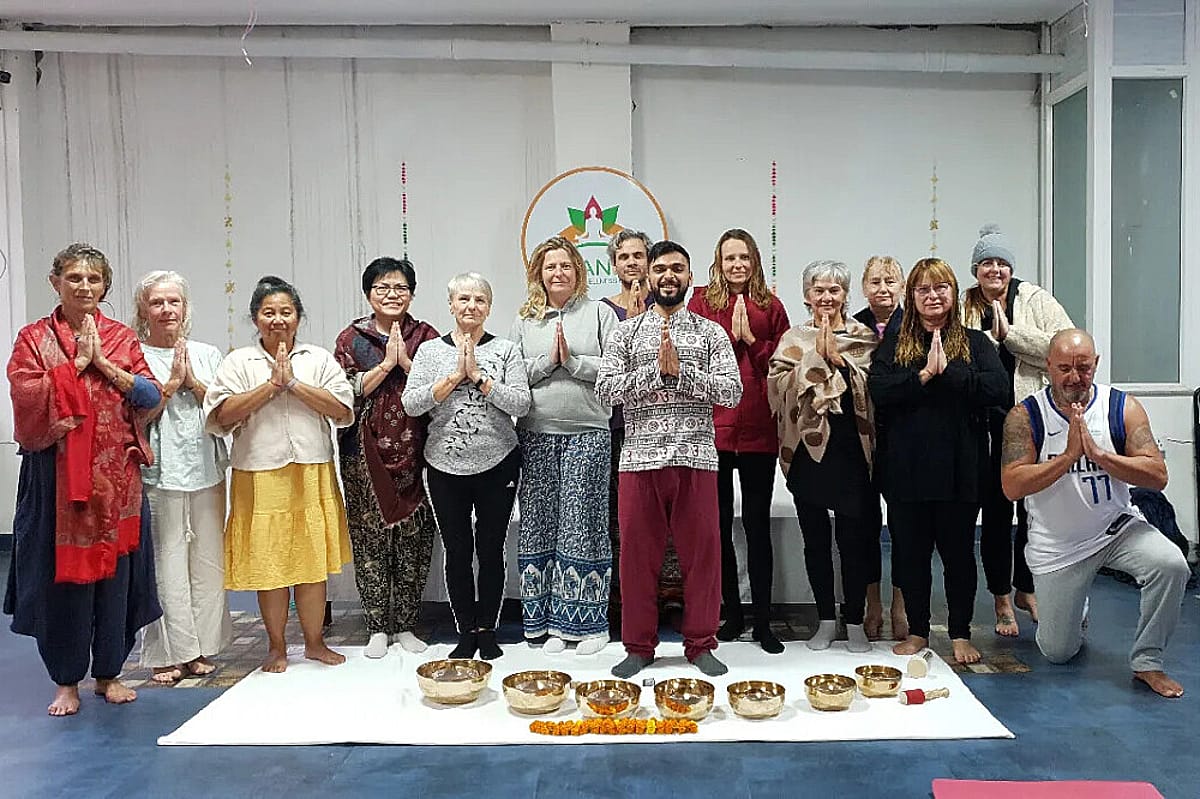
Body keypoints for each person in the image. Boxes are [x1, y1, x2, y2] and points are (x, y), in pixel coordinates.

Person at [6, 243, 162, 716]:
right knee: (63, 583)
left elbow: (150, 392)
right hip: (55, 481)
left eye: (94, 280)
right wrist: (74, 366)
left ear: (105, 287)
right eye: (74, 278)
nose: (85, 287)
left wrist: (102, 365)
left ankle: (110, 673)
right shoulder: (34, 338)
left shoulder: (120, 338)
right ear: (55, 282)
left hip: (117, 481)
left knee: (116, 579)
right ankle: (66, 680)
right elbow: (25, 393)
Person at [1001, 329, 1188, 698]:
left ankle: (1148, 661)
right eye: (1065, 368)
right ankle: (1075, 604)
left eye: (1084, 368)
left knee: (1172, 565)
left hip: (1116, 530)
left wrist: (1101, 456)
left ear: (1096, 365)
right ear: (1048, 368)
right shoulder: (1026, 416)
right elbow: (1012, 486)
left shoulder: (1122, 407)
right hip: (1059, 547)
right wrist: (1069, 457)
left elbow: (1157, 476)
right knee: (1058, 652)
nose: (1074, 377)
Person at [596, 240, 743, 678]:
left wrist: (683, 372)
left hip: (696, 457)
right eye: (660, 268)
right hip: (639, 460)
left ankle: (700, 644)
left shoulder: (711, 333)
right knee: (637, 558)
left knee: (704, 556)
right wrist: (653, 374)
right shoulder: (625, 333)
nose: (668, 276)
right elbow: (605, 393)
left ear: (689, 277)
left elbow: (731, 392)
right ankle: (639, 645)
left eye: (677, 268)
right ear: (648, 276)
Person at [203, 276, 354, 674]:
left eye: (286, 312)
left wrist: (294, 384)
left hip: (311, 468)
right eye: (269, 312)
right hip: (258, 472)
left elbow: (341, 409)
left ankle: (316, 643)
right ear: (256, 318)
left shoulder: (318, 358)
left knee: (311, 560)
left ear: (298, 317)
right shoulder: (238, 362)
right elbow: (220, 415)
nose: (278, 319)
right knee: (268, 561)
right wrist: (271, 386)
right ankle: (275, 647)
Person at [868, 258, 1008, 664]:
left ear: (952, 292)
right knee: (910, 557)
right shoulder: (894, 345)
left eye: (941, 288)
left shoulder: (975, 342)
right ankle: (917, 632)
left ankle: (961, 633)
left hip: (960, 472)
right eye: (923, 290)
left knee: (959, 556)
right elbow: (880, 390)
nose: (933, 296)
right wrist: (924, 376)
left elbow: (997, 388)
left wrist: (951, 373)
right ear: (912, 297)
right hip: (906, 472)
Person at [402, 272, 530, 661]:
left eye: (479, 300)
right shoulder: (429, 352)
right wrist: (453, 377)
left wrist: (478, 378)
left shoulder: (506, 349)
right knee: (457, 551)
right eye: (464, 299)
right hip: (444, 466)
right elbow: (413, 403)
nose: (471, 306)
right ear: (451, 305)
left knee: (491, 549)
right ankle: (465, 631)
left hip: (498, 463)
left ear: (489, 308)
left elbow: (521, 404)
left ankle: (487, 630)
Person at [963, 224, 1073, 637]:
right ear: (976, 269)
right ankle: (1001, 598)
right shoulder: (964, 305)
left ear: (1011, 269)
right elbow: (959, 352)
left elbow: (1064, 348)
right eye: (987, 263)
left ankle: (1027, 588)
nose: (995, 270)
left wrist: (1010, 335)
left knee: (1033, 511)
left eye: (1002, 263)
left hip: (1030, 419)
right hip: (984, 422)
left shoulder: (1034, 298)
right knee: (994, 511)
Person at [511, 238, 617, 654]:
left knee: (583, 524)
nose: (558, 273)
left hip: (588, 432)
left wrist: (573, 362)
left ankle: (588, 626)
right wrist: (547, 363)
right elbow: (513, 374)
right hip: (536, 433)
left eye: (566, 266)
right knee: (540, 522)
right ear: (539, 272)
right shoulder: (525, 320)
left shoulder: (599, 313)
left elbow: (615, 370)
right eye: (550, 266)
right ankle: (546, 623)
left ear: (578, 270)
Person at [688, 229, 790, 653]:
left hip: (758, 432)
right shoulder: (703, 303)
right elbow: (693, 353)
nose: (737, 266)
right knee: (717, 527)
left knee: (757, 526)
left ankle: (764, 620)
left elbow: (785, 364)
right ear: (718, 261)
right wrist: (728, 337)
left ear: (754, 262)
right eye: (729, 258)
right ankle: (731, 613)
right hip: (713, 430)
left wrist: (752, 340)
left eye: (744, 258)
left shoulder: (771, 305)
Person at [334, 257, 441, 659]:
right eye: (383, 288)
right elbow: (342, 391)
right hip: (365, 452)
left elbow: (439, 387)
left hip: (419, 449)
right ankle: (378, 625)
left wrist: (406, 363)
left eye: (400, 288)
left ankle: (406, 624)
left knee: (414, 538)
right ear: (368, 294)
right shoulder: (351, 338)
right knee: (370, 537)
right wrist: (385, 366)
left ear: (412, 293)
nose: (392, 294)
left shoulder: (427, 336)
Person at [769, 260, 876, 653]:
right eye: (819, 290)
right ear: (807, 296)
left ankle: (855, 621)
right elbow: (776, 385)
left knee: (854, 540)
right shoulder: (793, 338)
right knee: (815, 539)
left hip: (849, 448)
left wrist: (840, 363)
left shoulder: (863, 337)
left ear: (846, 295)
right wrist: (814, 361)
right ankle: (826, 620)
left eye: (834, 290)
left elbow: (871, 386)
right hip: (806, 451)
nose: (827, 298)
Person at [133, 270, 232, 683]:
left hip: (206, 468)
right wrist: (171, 386)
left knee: (207, 560)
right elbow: (135, 415)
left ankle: (202, 647)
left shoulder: (206, 353)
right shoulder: (133, 354)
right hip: (158, 470)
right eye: (157, 302)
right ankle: (166, 652)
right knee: (165, 561)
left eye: (174, 302)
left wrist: (193, 382)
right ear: (144, 310)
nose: (166, 310)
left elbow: (226, 408)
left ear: (185, 308)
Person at [600, 230, 684, 624]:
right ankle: (624, 592)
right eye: (624, 257)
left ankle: (669, 590)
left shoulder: (670, 306)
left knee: (669, 516)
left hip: (666, 427)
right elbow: (606, 372)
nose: (632, 263)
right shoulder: (603, 310)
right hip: (617, 428)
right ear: (613, 264)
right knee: (624, 516)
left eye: (639, 257)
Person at [852, 255, 908, 640]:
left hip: (906, 440)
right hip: (862, 440)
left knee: (905, 528)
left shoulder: (917, 326)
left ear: (902, 288)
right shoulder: (853, 326)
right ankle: (871, 601)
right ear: (864, 287)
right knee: (864, 526)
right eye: (875, 282)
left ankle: (901, 604)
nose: (882, 289)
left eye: (890, 281)